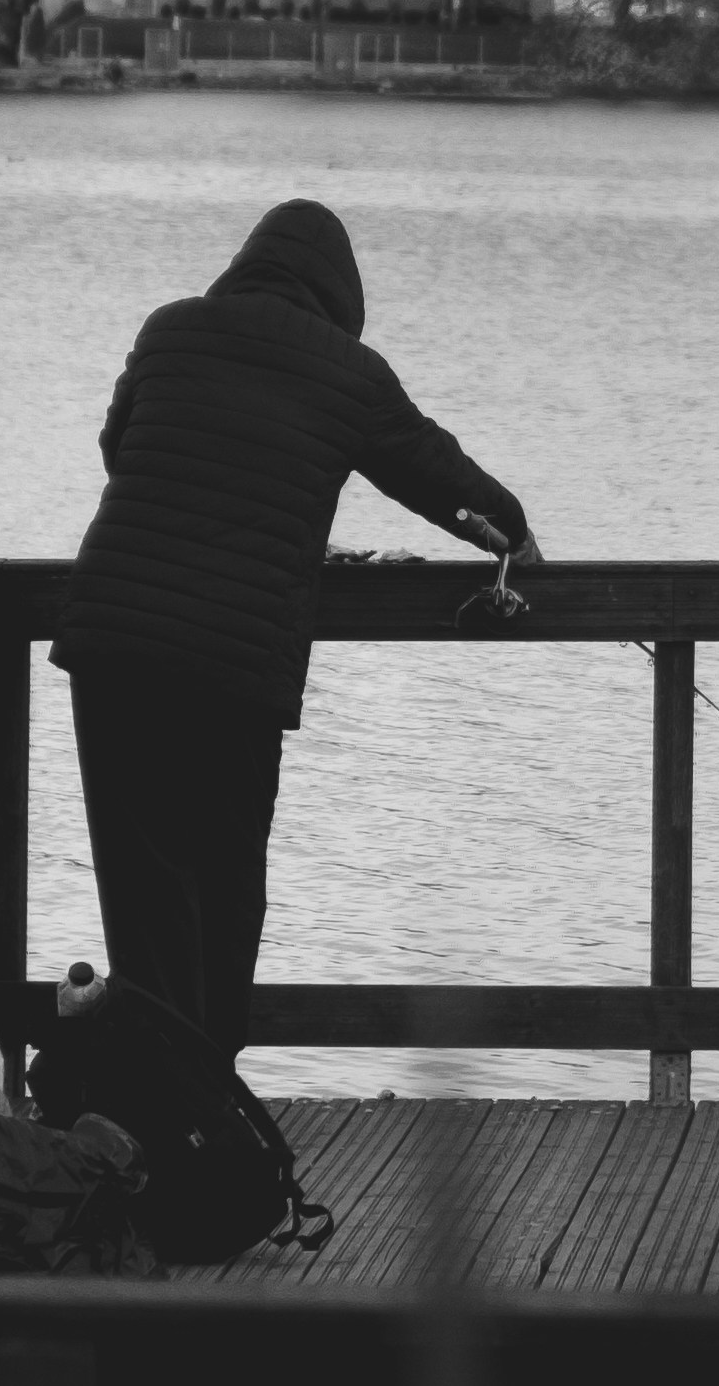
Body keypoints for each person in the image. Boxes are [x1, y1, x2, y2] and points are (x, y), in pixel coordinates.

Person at [50, 197, 538, 1062]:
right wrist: (517, 531)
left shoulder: (170, 329)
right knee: (229, 889)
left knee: (146, 891)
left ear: (245, 265)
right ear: (340, 297)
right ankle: (209, 1113)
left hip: (115, 648)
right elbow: (438, 473)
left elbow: (121, 445)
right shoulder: (349, 371)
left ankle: (162, 1123)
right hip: (233, 668)